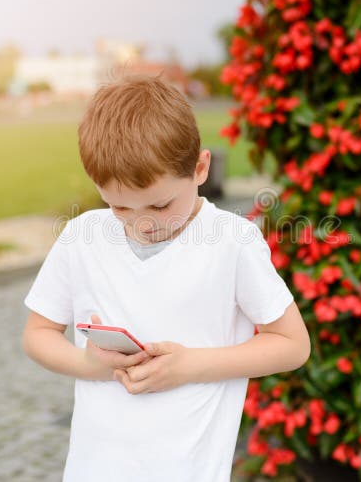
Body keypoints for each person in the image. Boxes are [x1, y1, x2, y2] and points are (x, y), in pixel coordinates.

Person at [21, 74, 310, 482]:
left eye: (160, 205)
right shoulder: (81, 238)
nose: (143, 224)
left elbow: (293, 345)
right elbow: (38, 333)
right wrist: (91, 365)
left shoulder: (233, 243)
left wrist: (190, 365)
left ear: (200, 168)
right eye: (120, 208)